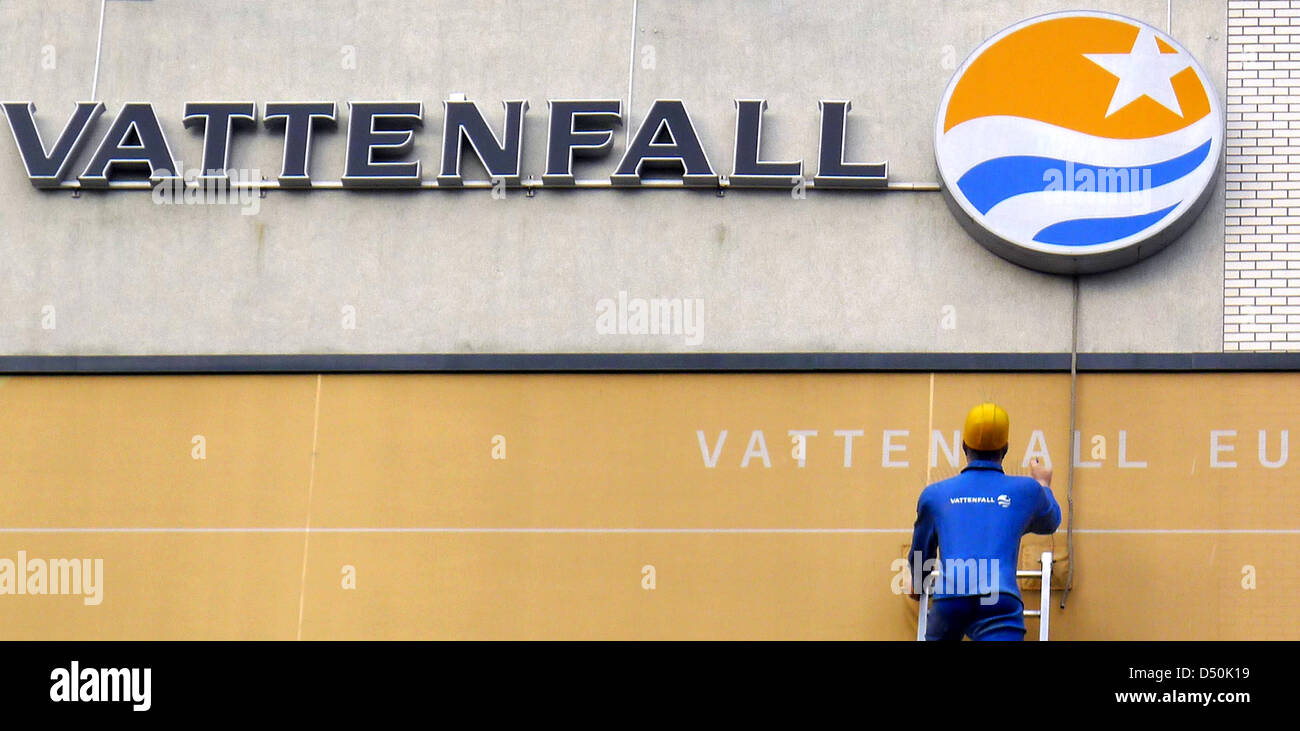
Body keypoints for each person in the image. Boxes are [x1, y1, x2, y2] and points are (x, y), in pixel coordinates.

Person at [907, 402, 1061, 641]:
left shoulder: (935, 494)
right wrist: (1043, 485)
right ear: (1006, 448)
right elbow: (1051, 521)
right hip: (999, 598)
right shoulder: (1026, 490)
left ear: (964, 446)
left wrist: (918, 586)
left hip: (951, 598)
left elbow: (921, 551)